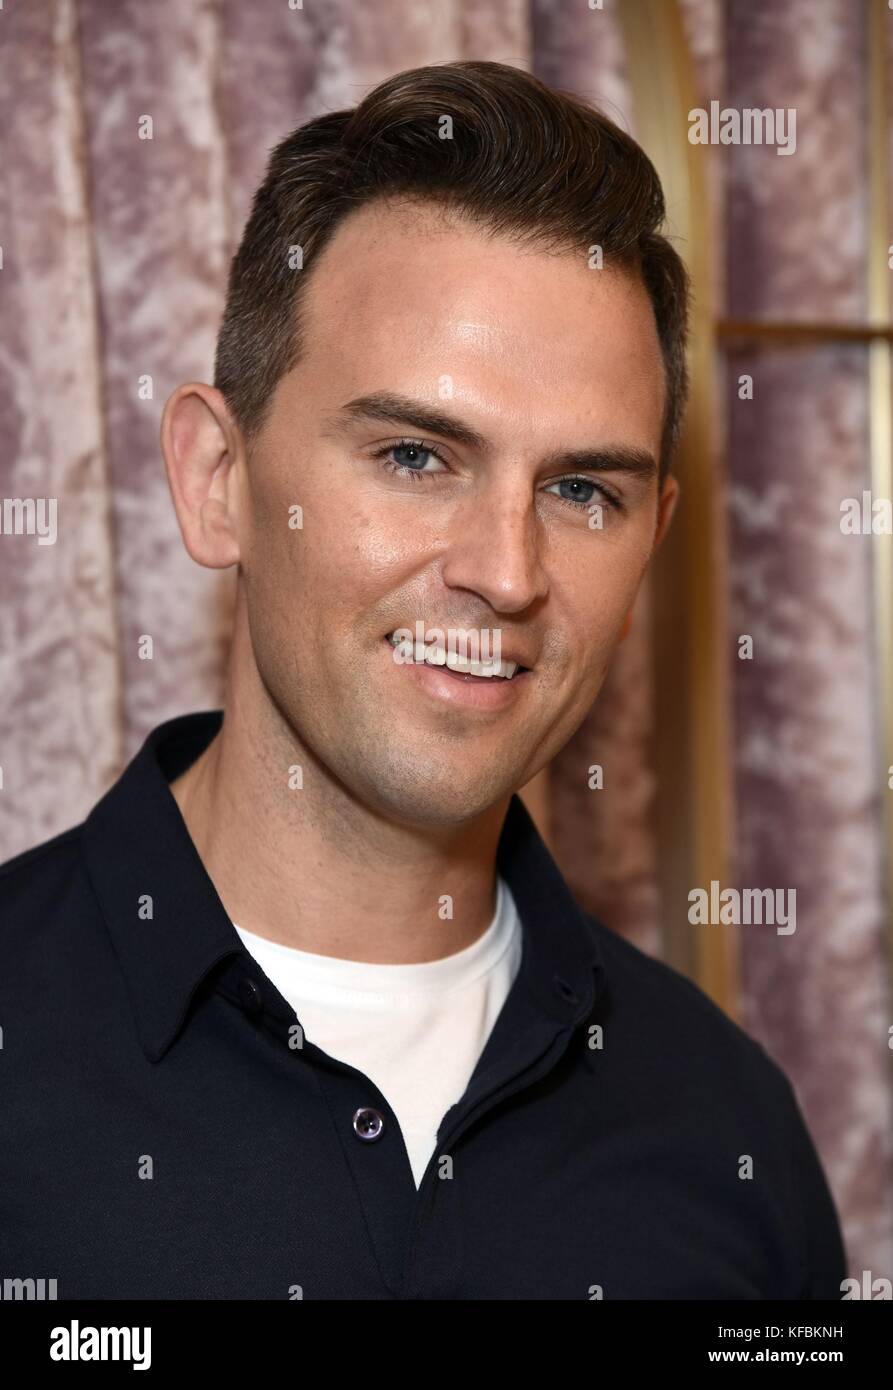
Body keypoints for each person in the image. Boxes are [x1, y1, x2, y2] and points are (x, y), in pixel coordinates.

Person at [0, 60, 845, 1299]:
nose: (505, 572)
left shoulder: (725, 1126)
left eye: (579, 491)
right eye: (412, 454)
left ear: (650, 540)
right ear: (217, 481)